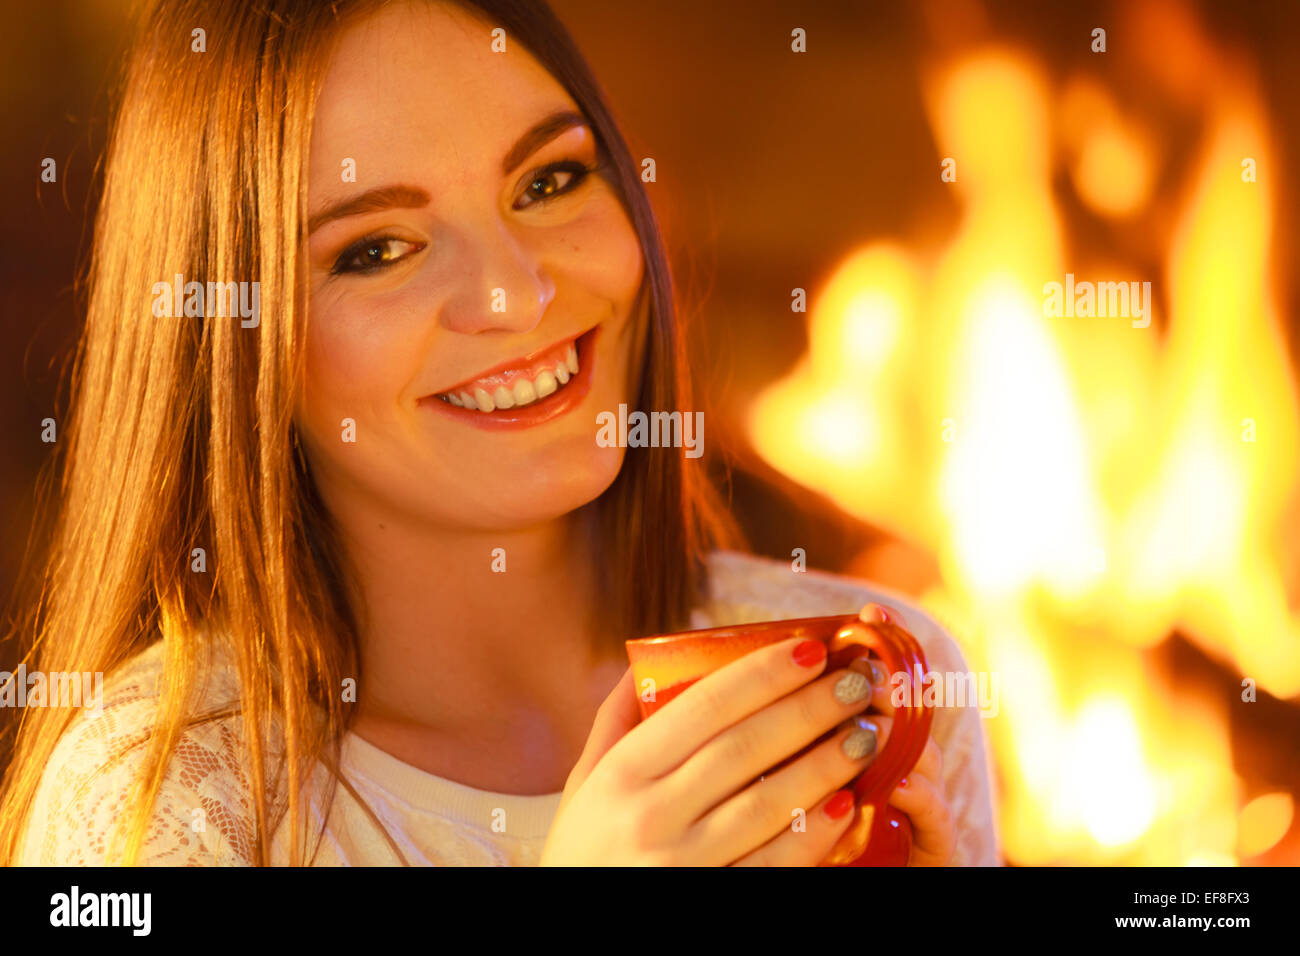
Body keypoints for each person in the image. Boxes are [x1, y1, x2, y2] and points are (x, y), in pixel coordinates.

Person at [0, 0, 998, 866]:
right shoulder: (162, 800)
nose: (517, 293)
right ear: (234, 340)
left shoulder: (882, 677)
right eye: (377, 248)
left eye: (547, 183)